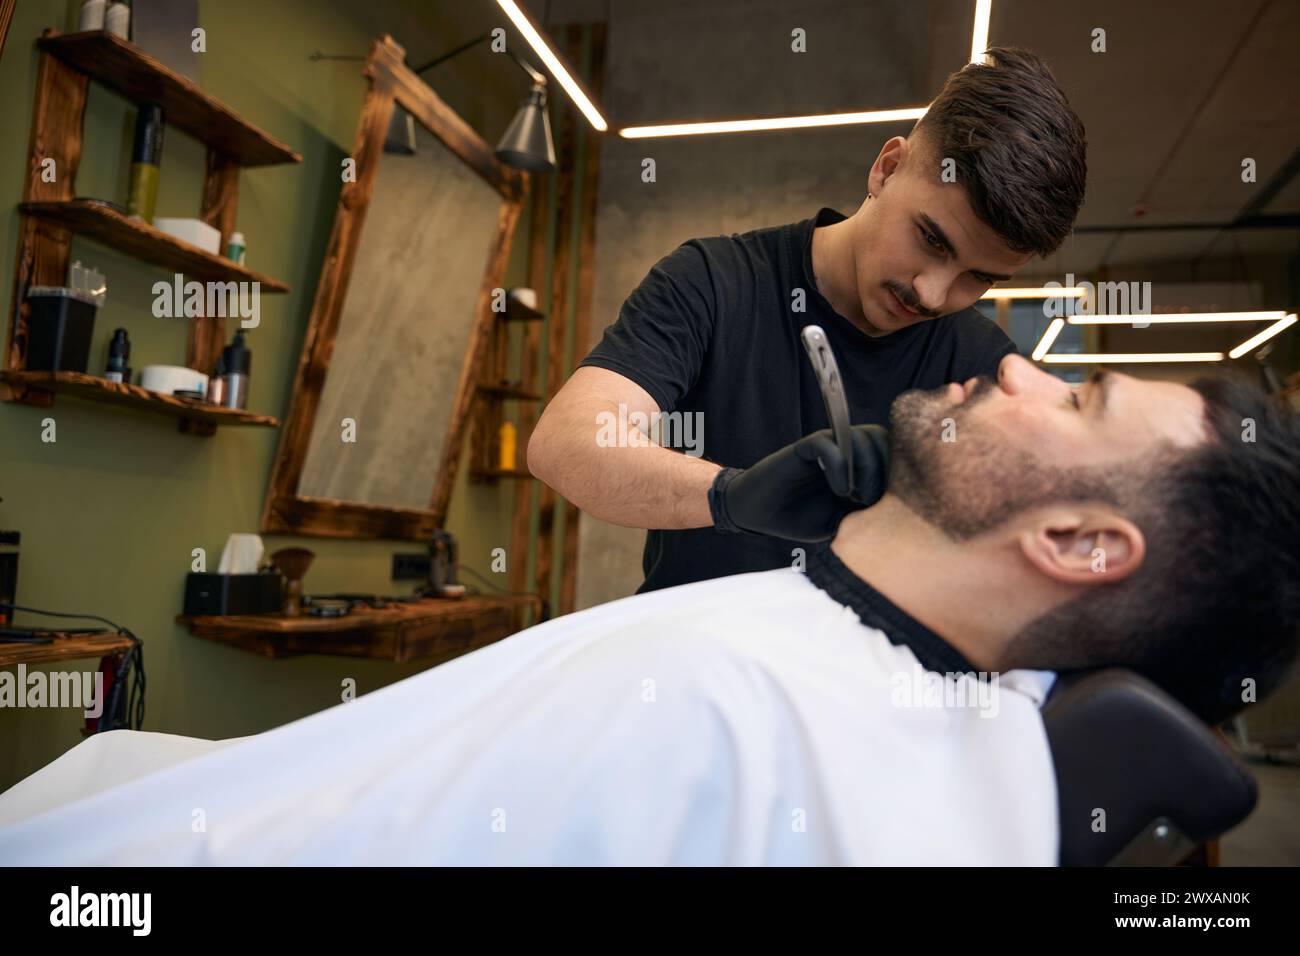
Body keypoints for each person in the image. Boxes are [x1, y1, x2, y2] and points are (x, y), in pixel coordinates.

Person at [2, 359, 1295, 865]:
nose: (1017, 361)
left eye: (1074, 400)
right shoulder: (932, 709)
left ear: (1076, 541)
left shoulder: (737, 715)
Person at [528, 47, 1088, 592]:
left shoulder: (982, 364)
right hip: (697, 663)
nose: (932, 292)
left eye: (980, 278)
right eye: (930, 239)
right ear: (887, 169)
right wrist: (732, 496)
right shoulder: (712, 282)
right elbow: (567, 442)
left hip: (868, 677)